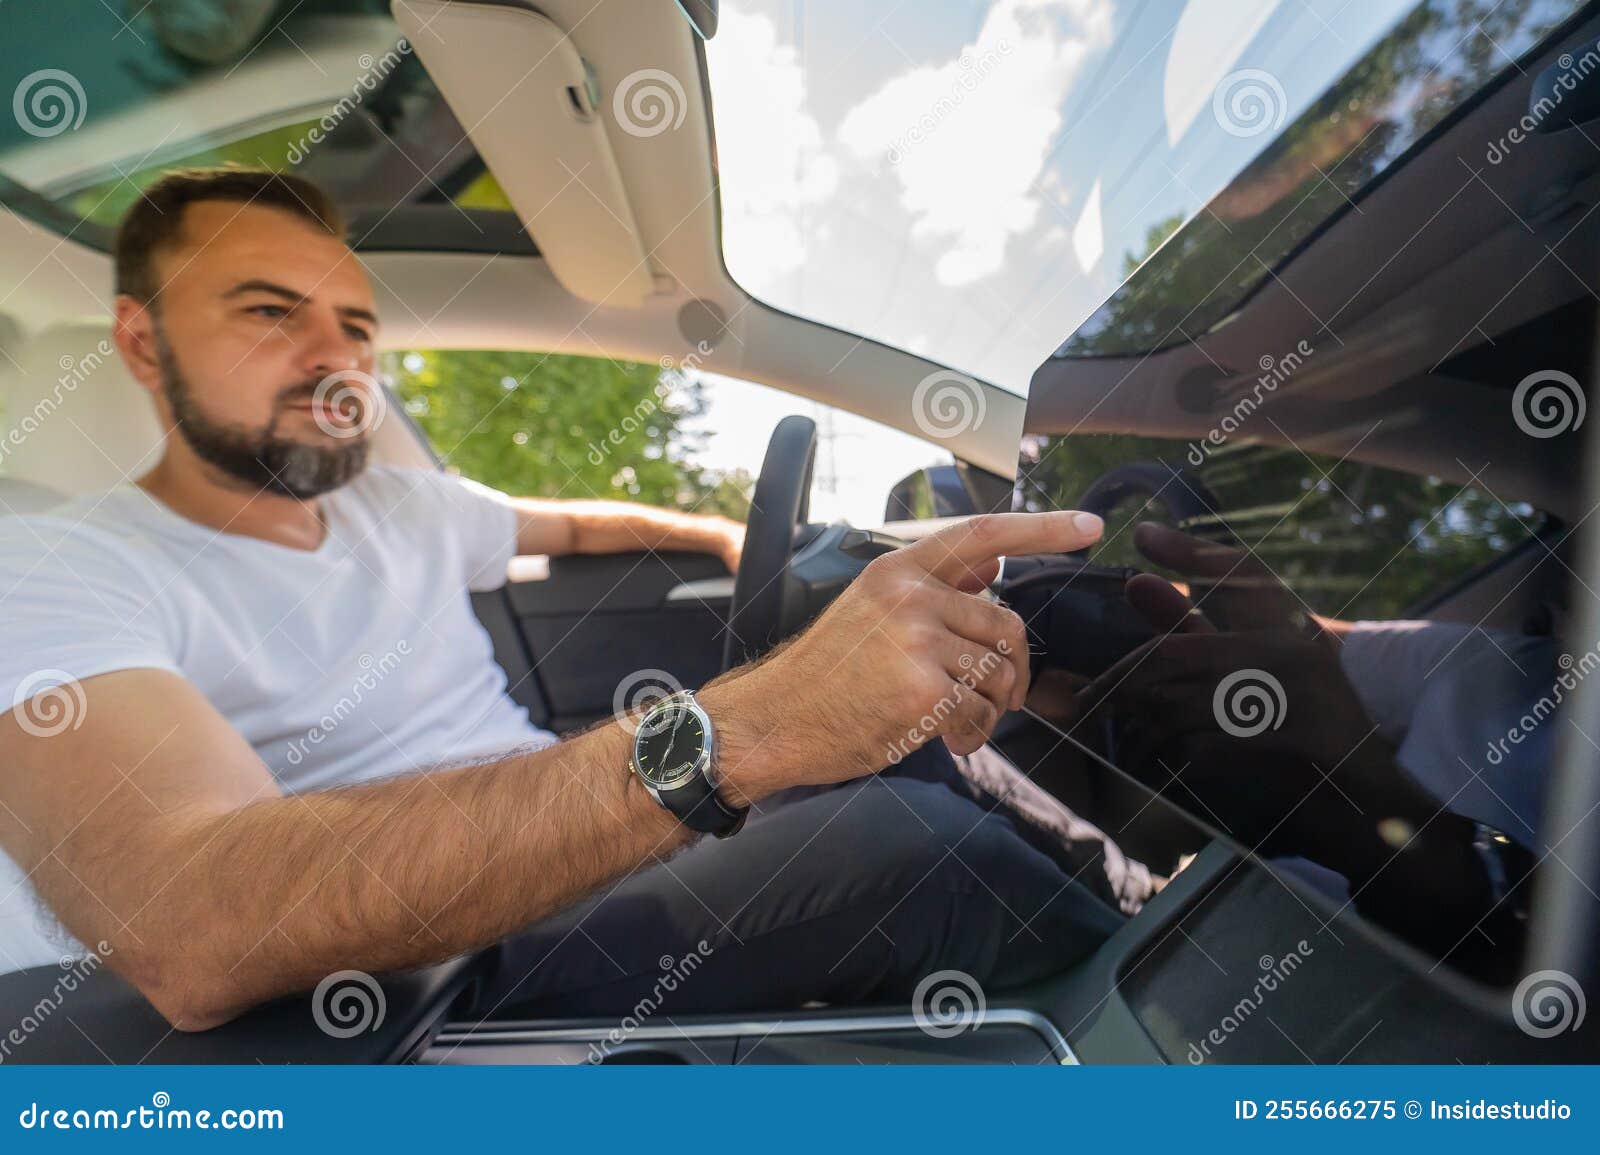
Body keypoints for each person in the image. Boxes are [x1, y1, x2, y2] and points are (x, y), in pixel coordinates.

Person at [0, 167, 1121, 1030]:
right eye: (266, 313)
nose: (332, 357)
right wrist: (749, 726)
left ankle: (1127, 906)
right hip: (429, 969)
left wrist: (742, 544)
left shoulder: (398, 507)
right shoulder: (54, 569)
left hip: (573, 839)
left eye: (354, 326)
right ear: (143, 342)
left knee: (898, 749)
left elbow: (592, 524)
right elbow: (190, 923)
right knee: (909, 847)